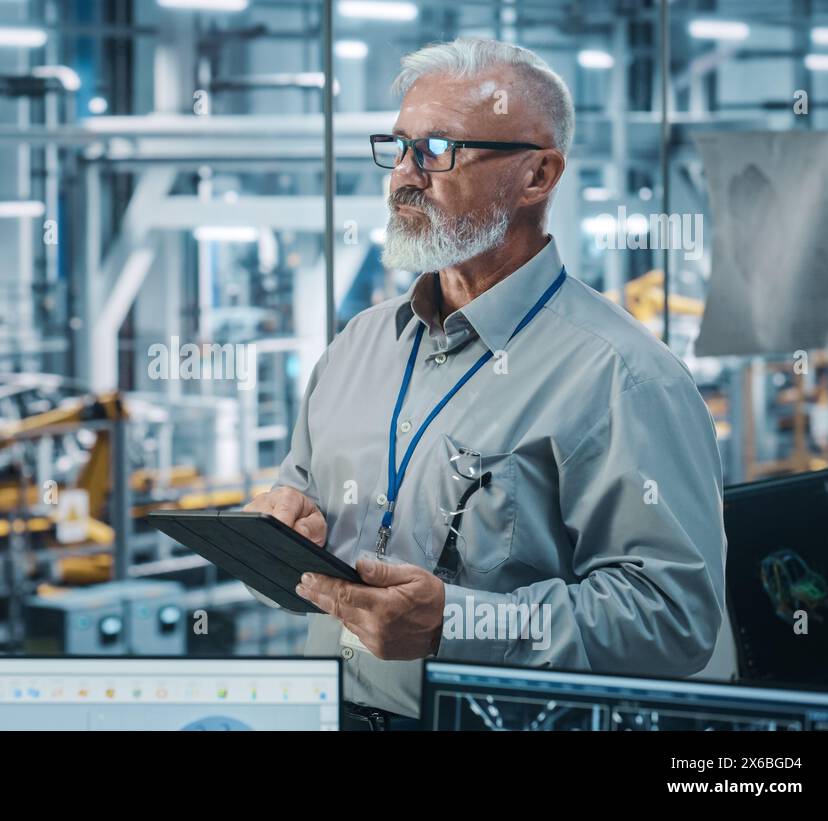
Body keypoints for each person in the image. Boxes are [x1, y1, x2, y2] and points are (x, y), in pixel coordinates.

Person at [244, 37, 726, 723]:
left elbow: (672, 617)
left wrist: (459, 627)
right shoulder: (356, 348)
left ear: (537, 176)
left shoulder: (623, 377)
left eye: (438, 149)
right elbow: (299, 496)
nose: (405, 176)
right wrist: (289, 524)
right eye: (399, 146)